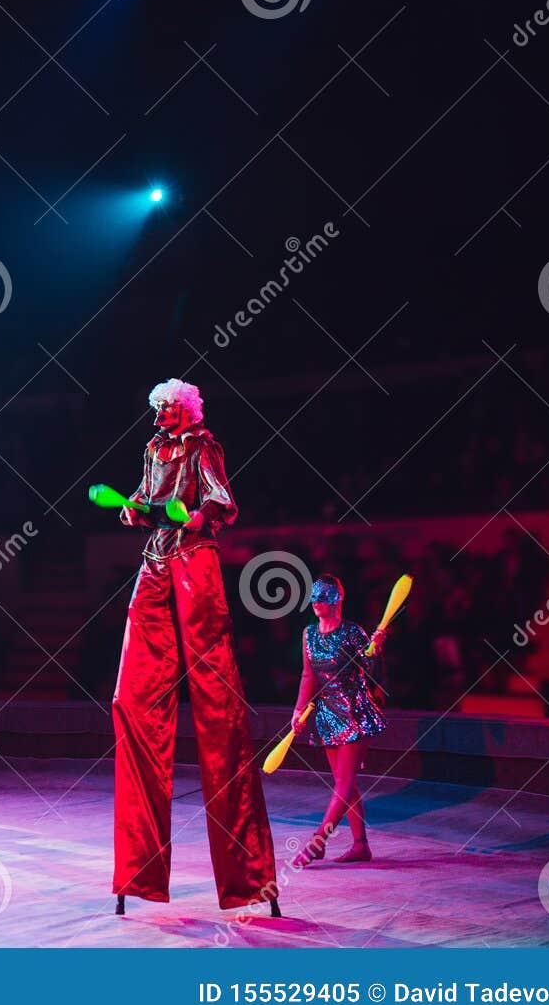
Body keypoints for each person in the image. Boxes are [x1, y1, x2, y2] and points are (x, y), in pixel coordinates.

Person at [112, 378, 279, 914]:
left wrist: (198, 515)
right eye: (156, 408)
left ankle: (248, 878)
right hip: (155, 563)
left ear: (183, 410)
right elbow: (144, 498)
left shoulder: (204, 444)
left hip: (195, 562)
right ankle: (137, 873)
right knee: (132, 700)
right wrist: (134, 509)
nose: (159, 416)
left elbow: (221, 500)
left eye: (165, 409)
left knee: (218, 703)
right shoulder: (153, 448)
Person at [289, 575, 388, 866]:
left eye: (323, 597)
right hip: (327, 713)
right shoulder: (308, 633)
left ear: (337, 599)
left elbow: (370, 668)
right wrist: (298, 711)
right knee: (345, 784)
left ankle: (319, 840)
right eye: (314, 598)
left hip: (354, 712)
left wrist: (376, 648)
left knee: (343, 785)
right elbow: (308, 675)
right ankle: (360, 846)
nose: (316, 602)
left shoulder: (352, 632)